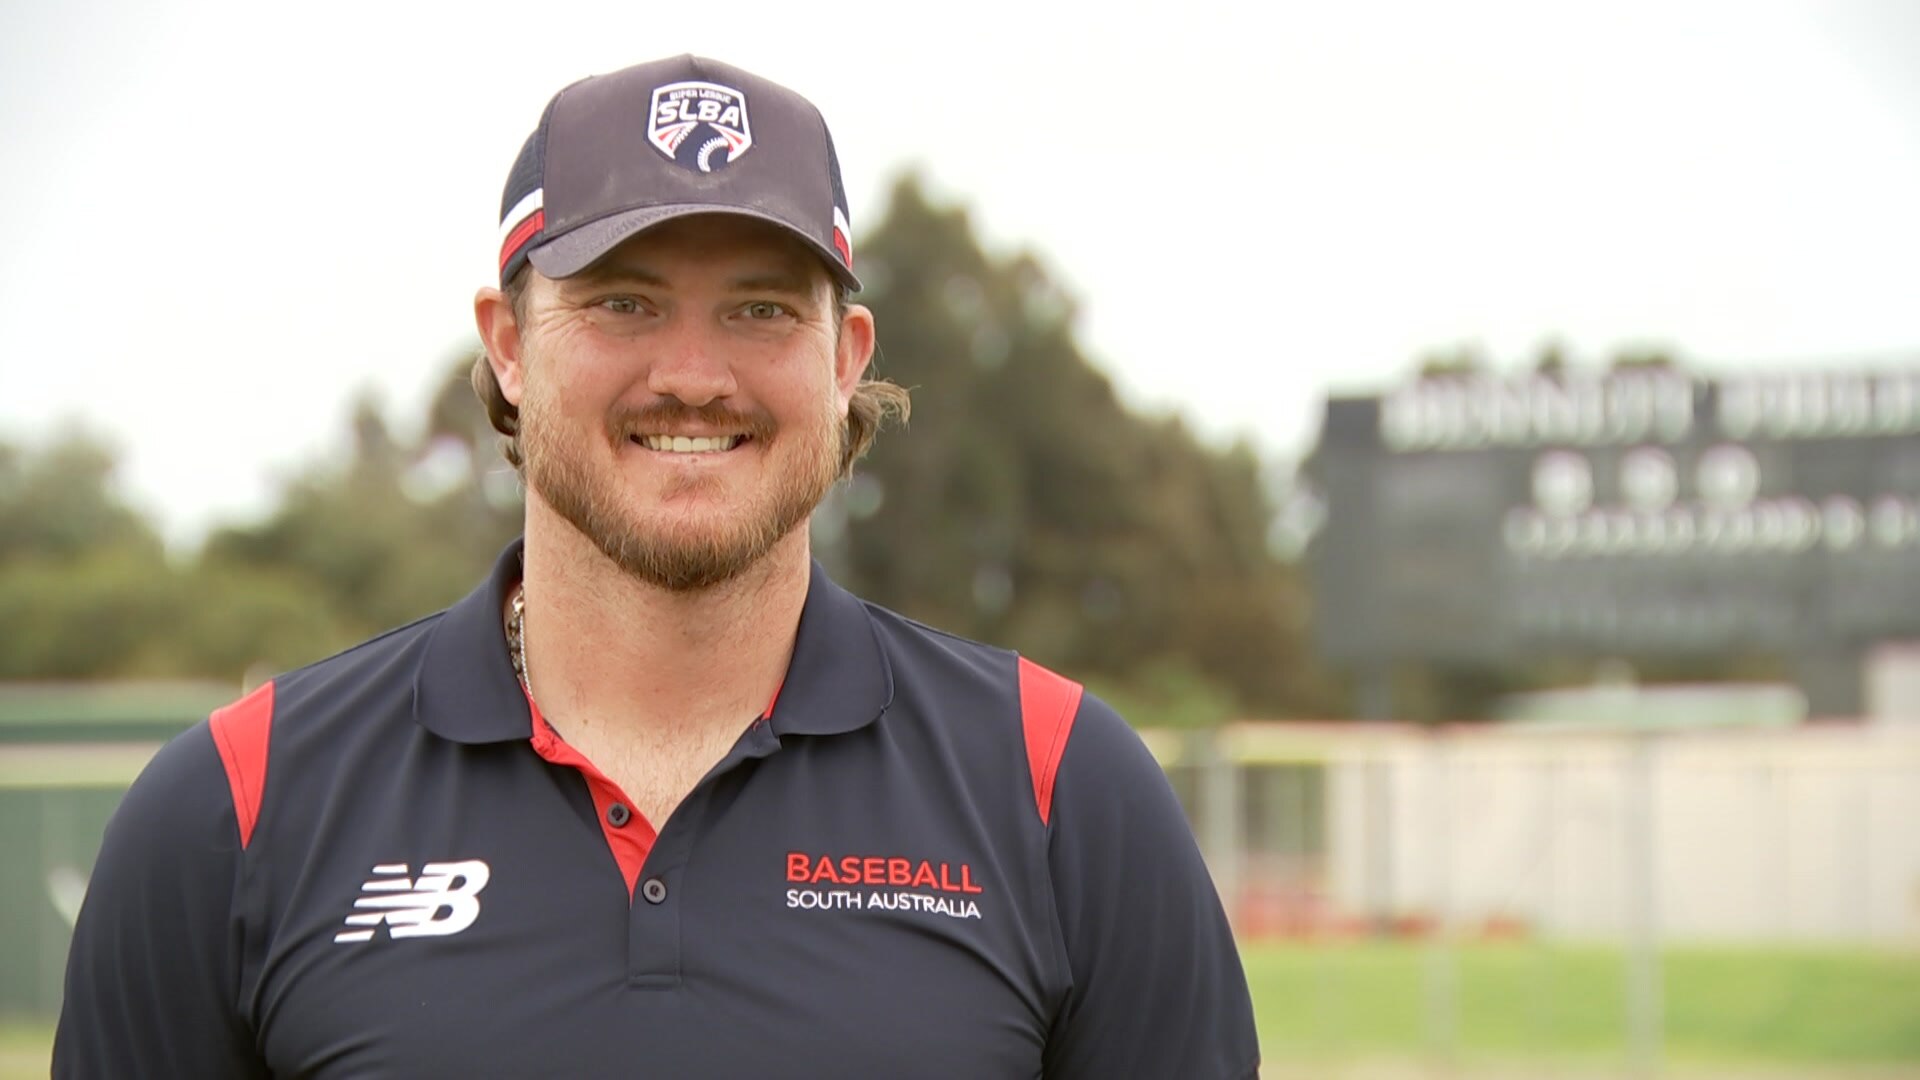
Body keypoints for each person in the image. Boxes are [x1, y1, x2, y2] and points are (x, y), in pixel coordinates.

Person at [55, 55, 1259, 1078]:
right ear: (508, 345)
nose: (692, 373)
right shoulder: (236, 807)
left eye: (759, 310)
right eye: (624, 303)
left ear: (846, 358)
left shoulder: (1060, 789)